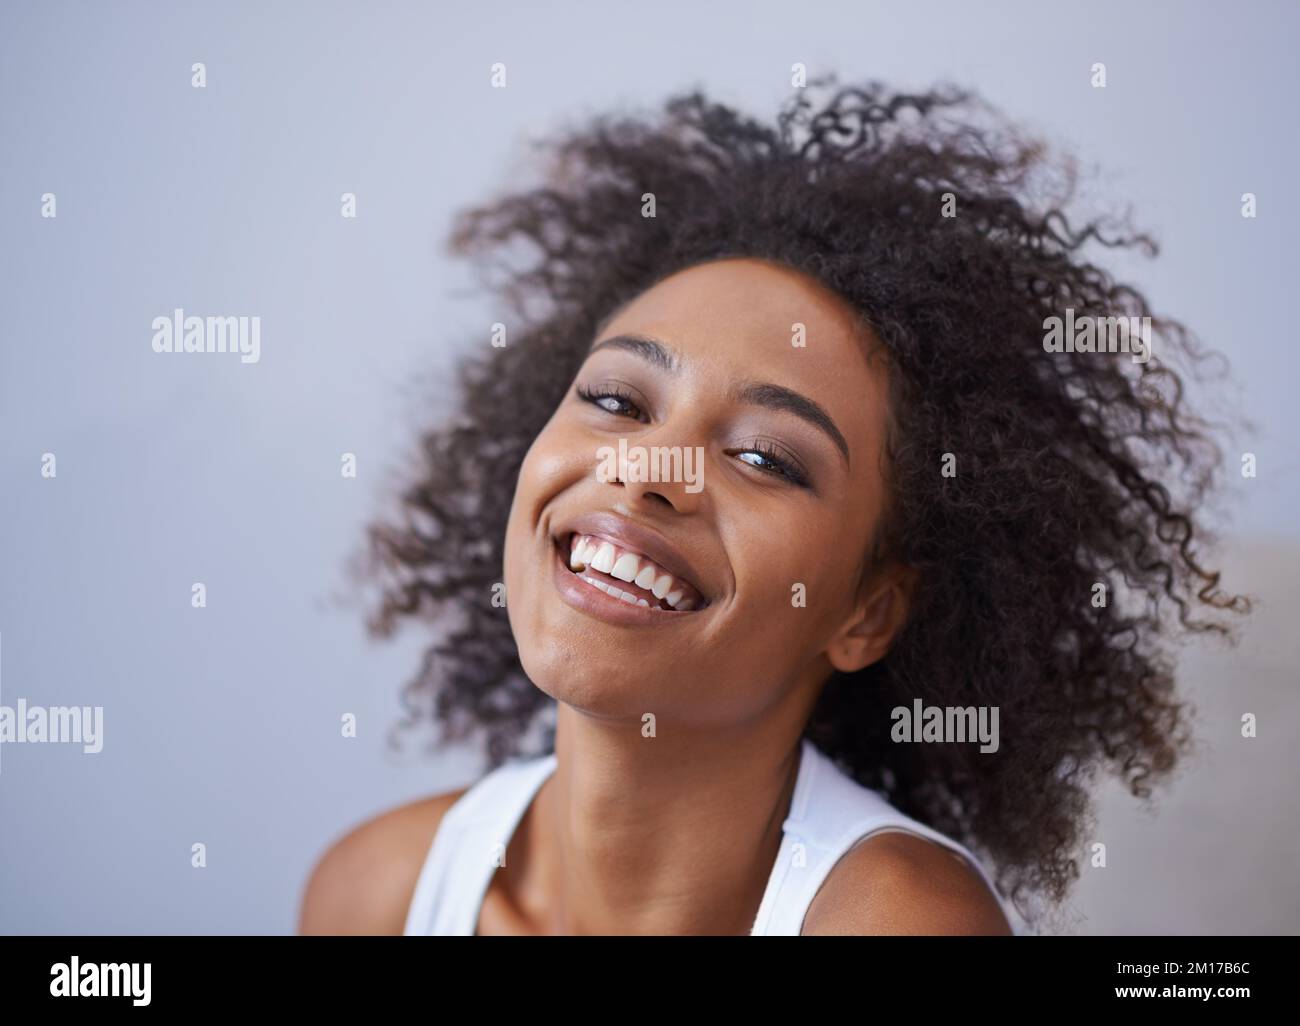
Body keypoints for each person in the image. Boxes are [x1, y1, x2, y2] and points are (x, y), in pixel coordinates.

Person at [298, 77, 1248, 936]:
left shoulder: (901, 926)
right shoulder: (375, 893)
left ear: (864, 613)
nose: (649, 470)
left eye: (763, 456)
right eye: (619, 401)